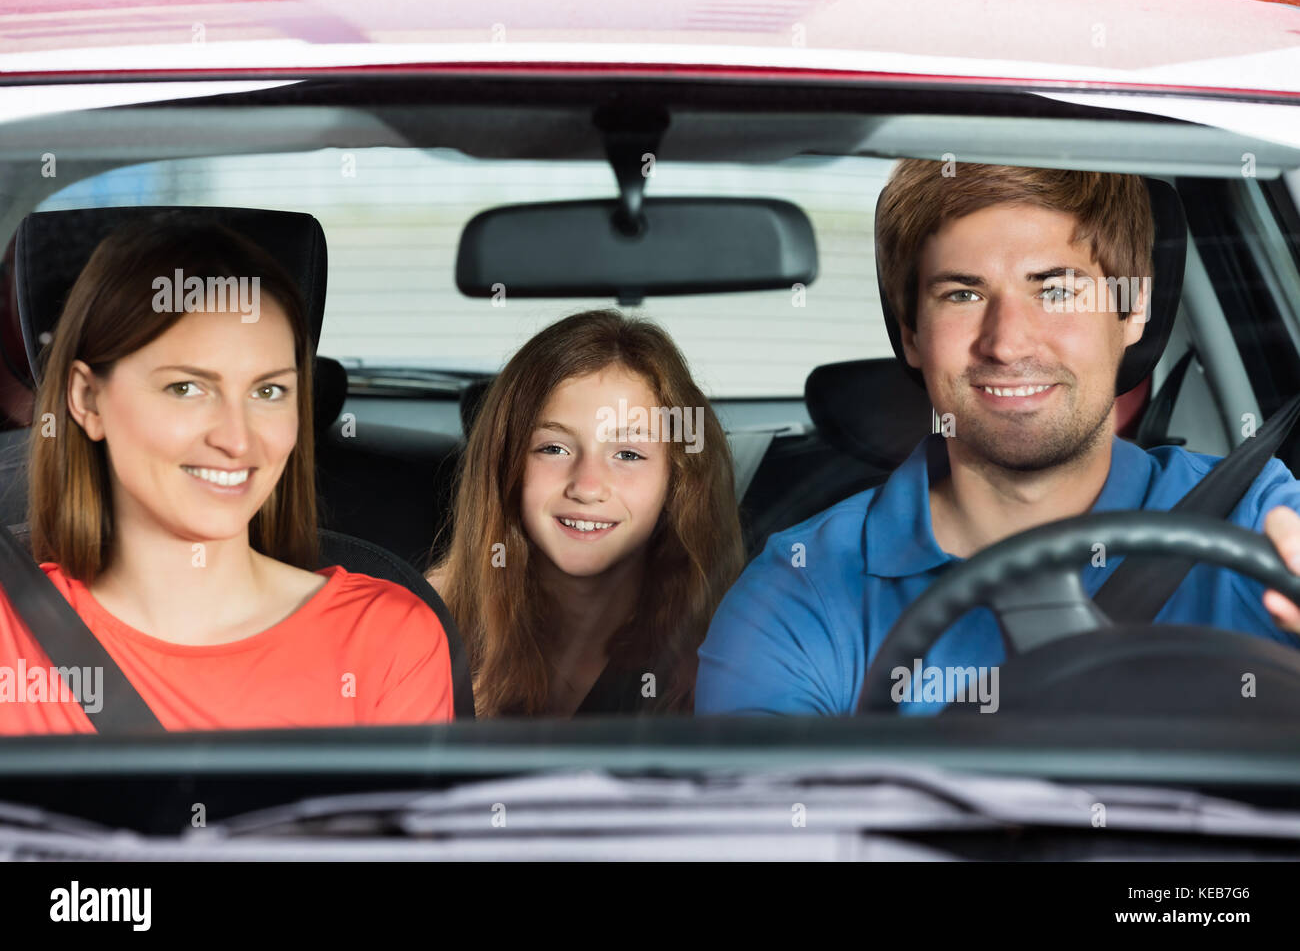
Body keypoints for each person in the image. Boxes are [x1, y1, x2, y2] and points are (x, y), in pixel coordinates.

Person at [696, 159, 1300, 715]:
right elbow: (756, 818)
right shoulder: (806, 588)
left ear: (1134, 308)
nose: (1007, 343)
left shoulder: (1256, 519)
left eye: (1056, 289)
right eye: (964, 293)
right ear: (910, 334)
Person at [0, 215, 454, 734]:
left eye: (268, 391)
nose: (237, 440)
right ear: (87, 400)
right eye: (187, 388)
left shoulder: (385, 639)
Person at [428, 309, 743, 717]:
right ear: (506, 464)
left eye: (628, 454)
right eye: (553, 448)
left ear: (678, 480)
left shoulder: (733, 648)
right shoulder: (426, 623)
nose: (587, 486)